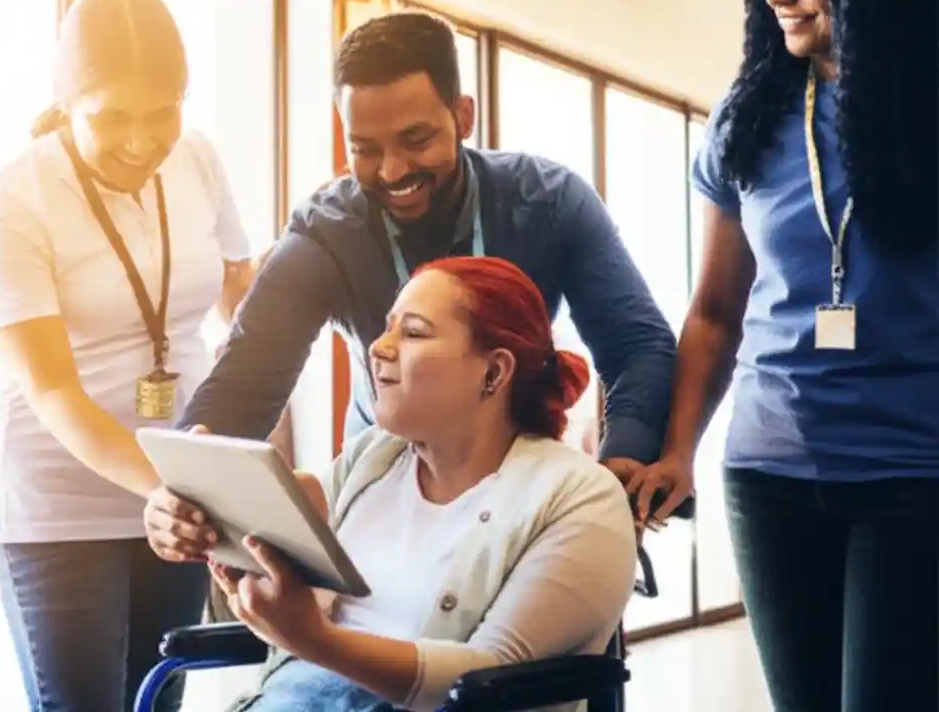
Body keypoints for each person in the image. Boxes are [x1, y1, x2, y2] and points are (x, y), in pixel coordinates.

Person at [179, 12, 678, 488]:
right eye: (366, 149)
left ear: (464, 116)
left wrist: (621, 463)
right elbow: (246, 380)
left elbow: (637, 345)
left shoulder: (549, 202)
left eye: (416, 140)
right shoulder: (326, 232)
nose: (393, 171)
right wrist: (193, 484)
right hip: (382, 490)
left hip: (520, 481)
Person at [624, 0, 938, 709]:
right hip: (769, 478)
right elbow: (713, 314)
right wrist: (678, 451)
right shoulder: (749, 116)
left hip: (915, 477)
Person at [146, 257, 637, 711]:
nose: (379, 348)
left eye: (414, 333)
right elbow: (294, 600)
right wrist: (212, 534)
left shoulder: (579, 498)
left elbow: (489, 677)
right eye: (386, 329)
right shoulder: (373, 457)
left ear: (494, 372)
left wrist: (317, 640)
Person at [0, 0, 260, 709]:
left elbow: (241, 295)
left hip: (182, 490)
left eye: (161, 113)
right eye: (112, 118)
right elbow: (51, 392)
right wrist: (161, 487)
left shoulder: (196, 159)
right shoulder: (12, 198)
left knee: (158, 700)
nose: (140, 140)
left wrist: (240, 455)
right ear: (67, 104)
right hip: (61, 502)